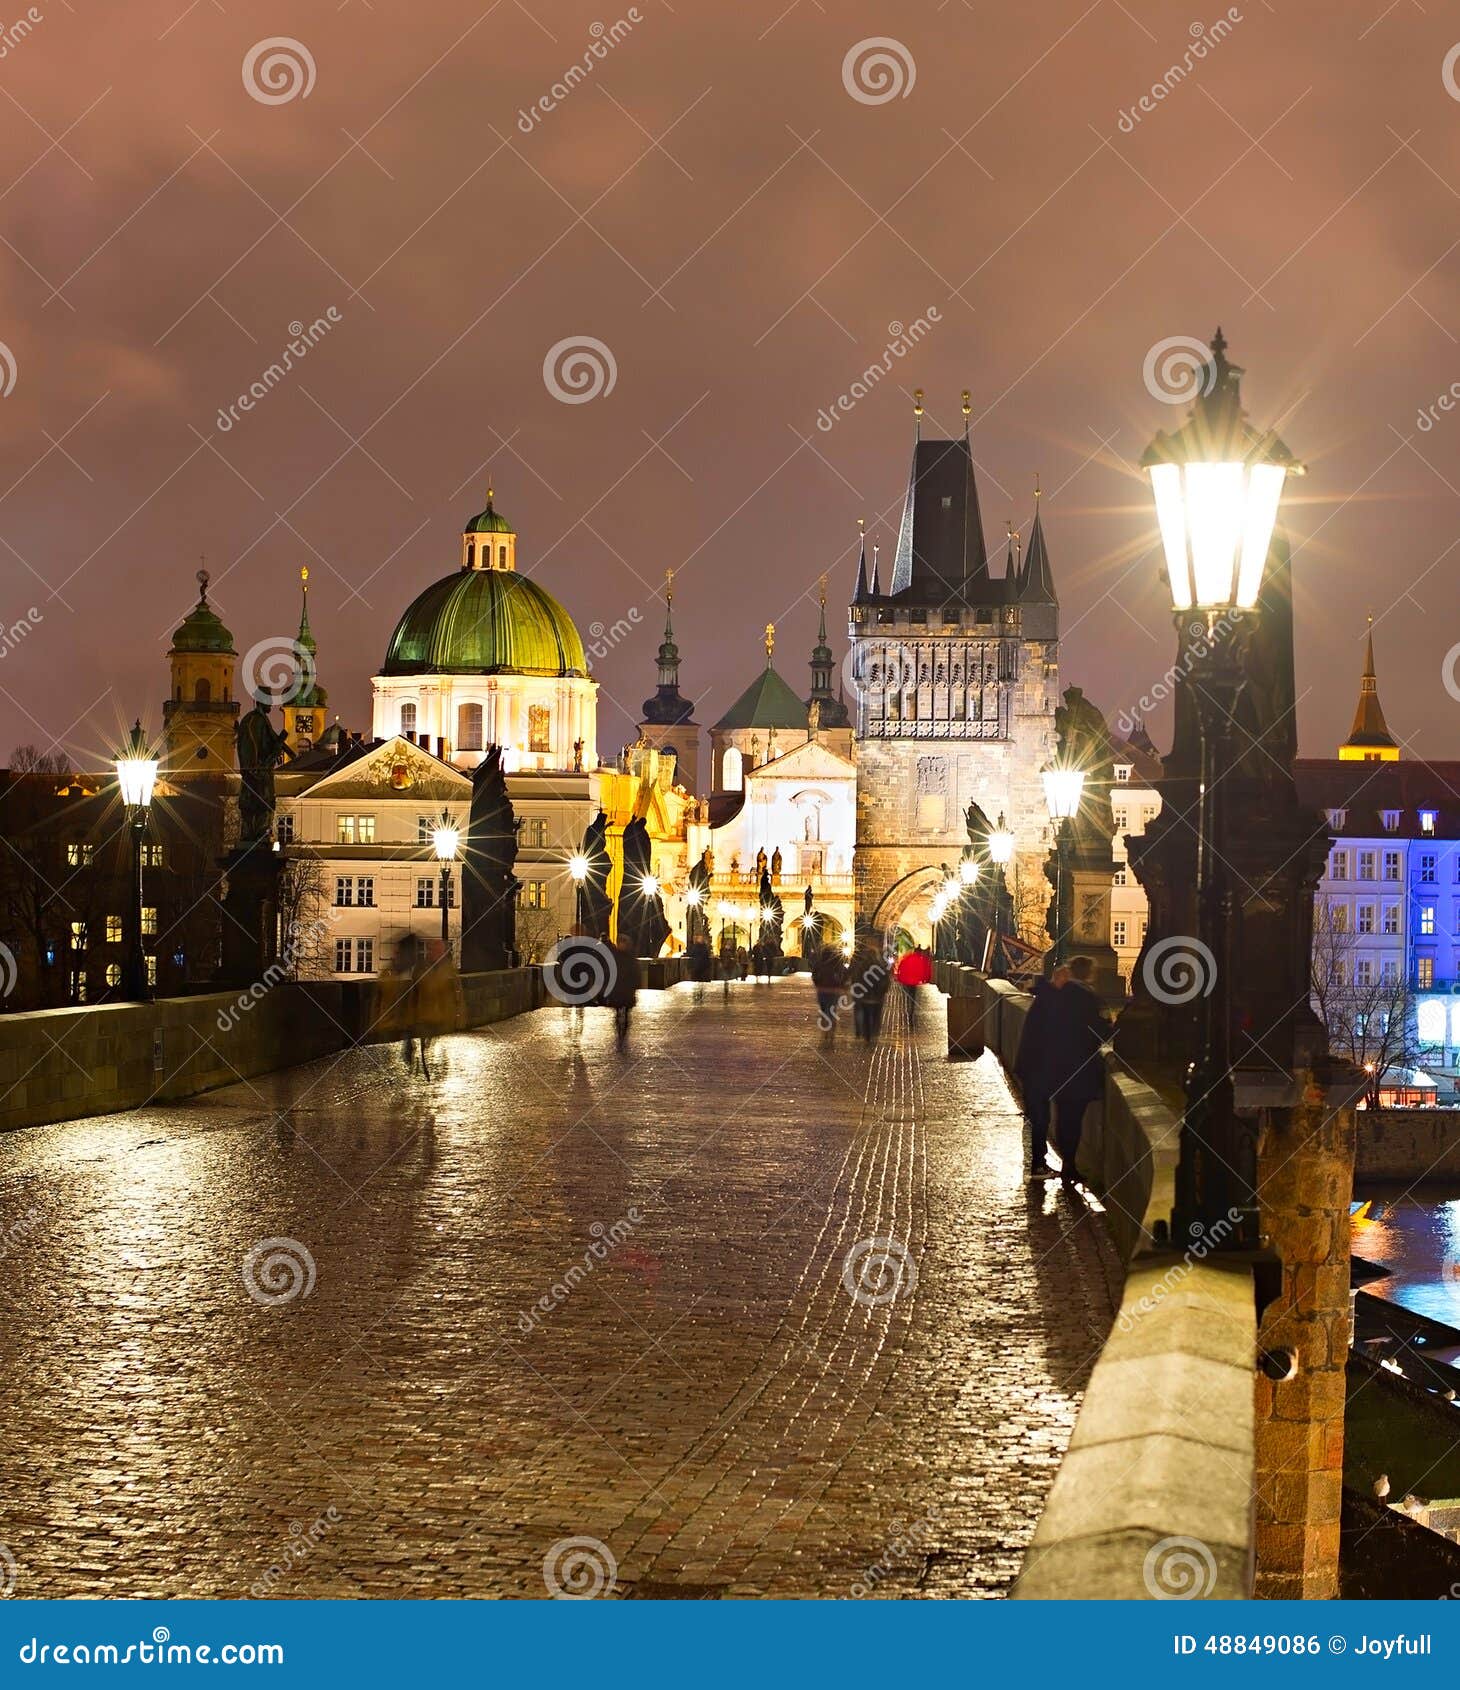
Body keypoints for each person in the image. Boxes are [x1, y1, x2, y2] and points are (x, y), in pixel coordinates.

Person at [1046, 955, 1109, 1187]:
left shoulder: (1059, 995)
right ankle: (1070, 1165)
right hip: (1080, 1066)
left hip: (1059, 1066)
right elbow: (1099, 1031)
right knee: (1075, 1118)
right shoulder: (1089, 997)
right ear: (1089, 973)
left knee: (1063, 1117)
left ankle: (1067, 1164)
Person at [1013, 963, 1068, 1178]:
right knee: (1041, 1118)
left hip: (1031, 1069)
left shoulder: (1043, 999)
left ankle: (1040, 1161)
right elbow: (1051, 1039)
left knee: (1038, 1117)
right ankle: (1038, 1165)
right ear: (1060, 978)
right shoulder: (1049, 1003)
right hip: (1036, 1071)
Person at [602, 933, 640, 1049]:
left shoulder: (628, 958)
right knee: (618, 1012)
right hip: (618, 989)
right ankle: (620, 1032)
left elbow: (635, 974)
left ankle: (623, 1033)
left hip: (626, 989)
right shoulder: (618, 957)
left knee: (626, 1013)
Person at [849, 935, 889, 1044]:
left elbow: (857, 977)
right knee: (876, 1015)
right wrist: (883, 990)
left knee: (865, 1014)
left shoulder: (862, 965)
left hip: (864, 995)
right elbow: (885, 980)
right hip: (877, 996)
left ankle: (865, 1034)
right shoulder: (880, 966)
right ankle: (874, 1033)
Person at [811, 946, 848, 1046]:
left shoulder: (820, 962)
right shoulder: (837, 962)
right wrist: (841, 984)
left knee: (824, 1012)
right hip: (834, 991)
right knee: (832, 1011)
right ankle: (831, 1032)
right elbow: (844, 974)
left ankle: (825, 1032)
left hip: (822, 990)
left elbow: (814, 974)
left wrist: (817, 984)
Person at [893, 943, 934, 1029]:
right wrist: (926, 979)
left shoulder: (908, 957)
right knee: (913, 996)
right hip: (914, 982)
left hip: (906, 981)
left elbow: (901, 966)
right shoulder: (921, 959)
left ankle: (908, 1009)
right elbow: (926, 969)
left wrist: (900, 978)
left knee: (907, 996)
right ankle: (911, 1010)